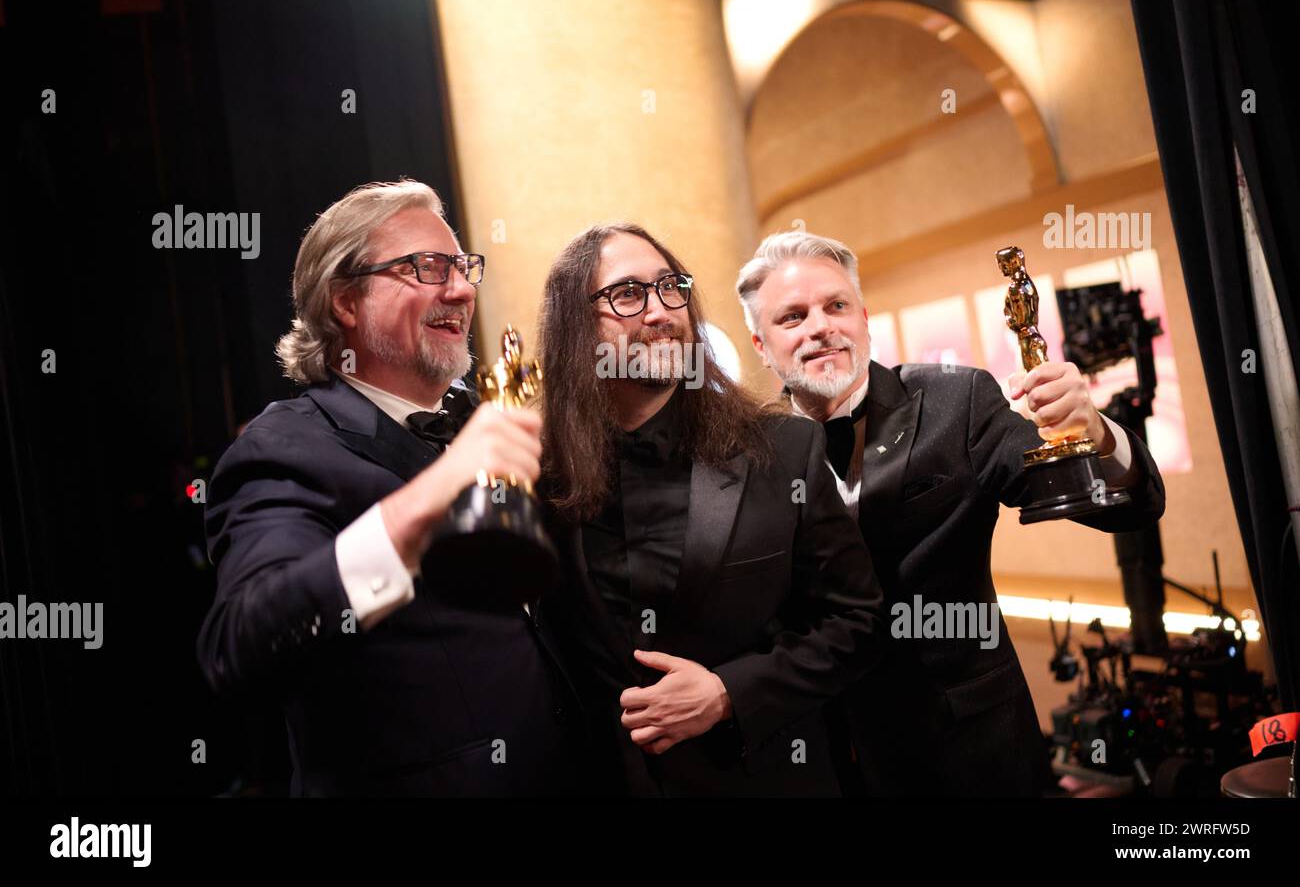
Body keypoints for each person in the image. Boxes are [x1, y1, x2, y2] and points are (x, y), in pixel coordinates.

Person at [736, 230, 1167, 796]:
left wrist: (1094, 429)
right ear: (761, 345)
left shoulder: (954, 403)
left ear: (863, 318)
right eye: (792, 317)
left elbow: (1128, 508)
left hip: (974, 754)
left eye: (835, 305)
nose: (820, 326)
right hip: (832, 762)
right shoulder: (750, 451)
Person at [197, 180, 580, 796]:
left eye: (460, 266)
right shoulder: (283, 448)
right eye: (425, 267)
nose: (459, 288)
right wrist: (434, 494)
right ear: (345, 301)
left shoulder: (487, 414)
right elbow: (238, 643)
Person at [535, 222, 885, 796]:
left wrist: (728, 693)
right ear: (576, 325)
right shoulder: (537, 472)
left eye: (671, 286)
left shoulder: (782, 449)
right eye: (628, 294)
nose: (660, 311)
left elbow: (859, 623)